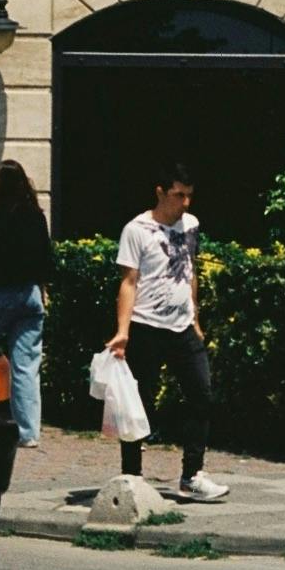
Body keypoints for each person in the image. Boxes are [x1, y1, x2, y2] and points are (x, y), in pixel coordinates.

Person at [105, 168, 227, 504]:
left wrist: (196, 317)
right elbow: (128, 282)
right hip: (147, 326)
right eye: (178, 195)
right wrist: (123, 331)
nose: (185, 203)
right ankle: (132, 475)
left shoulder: (190, 225)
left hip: (183, 325)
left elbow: (190, 272)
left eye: (189, 195)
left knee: (201, 393)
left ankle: (192, 475)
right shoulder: (137, 229)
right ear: (160, 192)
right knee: (137, 402)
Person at [0, 158, 51, 449]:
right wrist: (42, 288)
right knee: (26, 365)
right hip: (30, 293)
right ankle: (28, 432)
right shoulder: (35, 216)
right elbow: (45, 256)